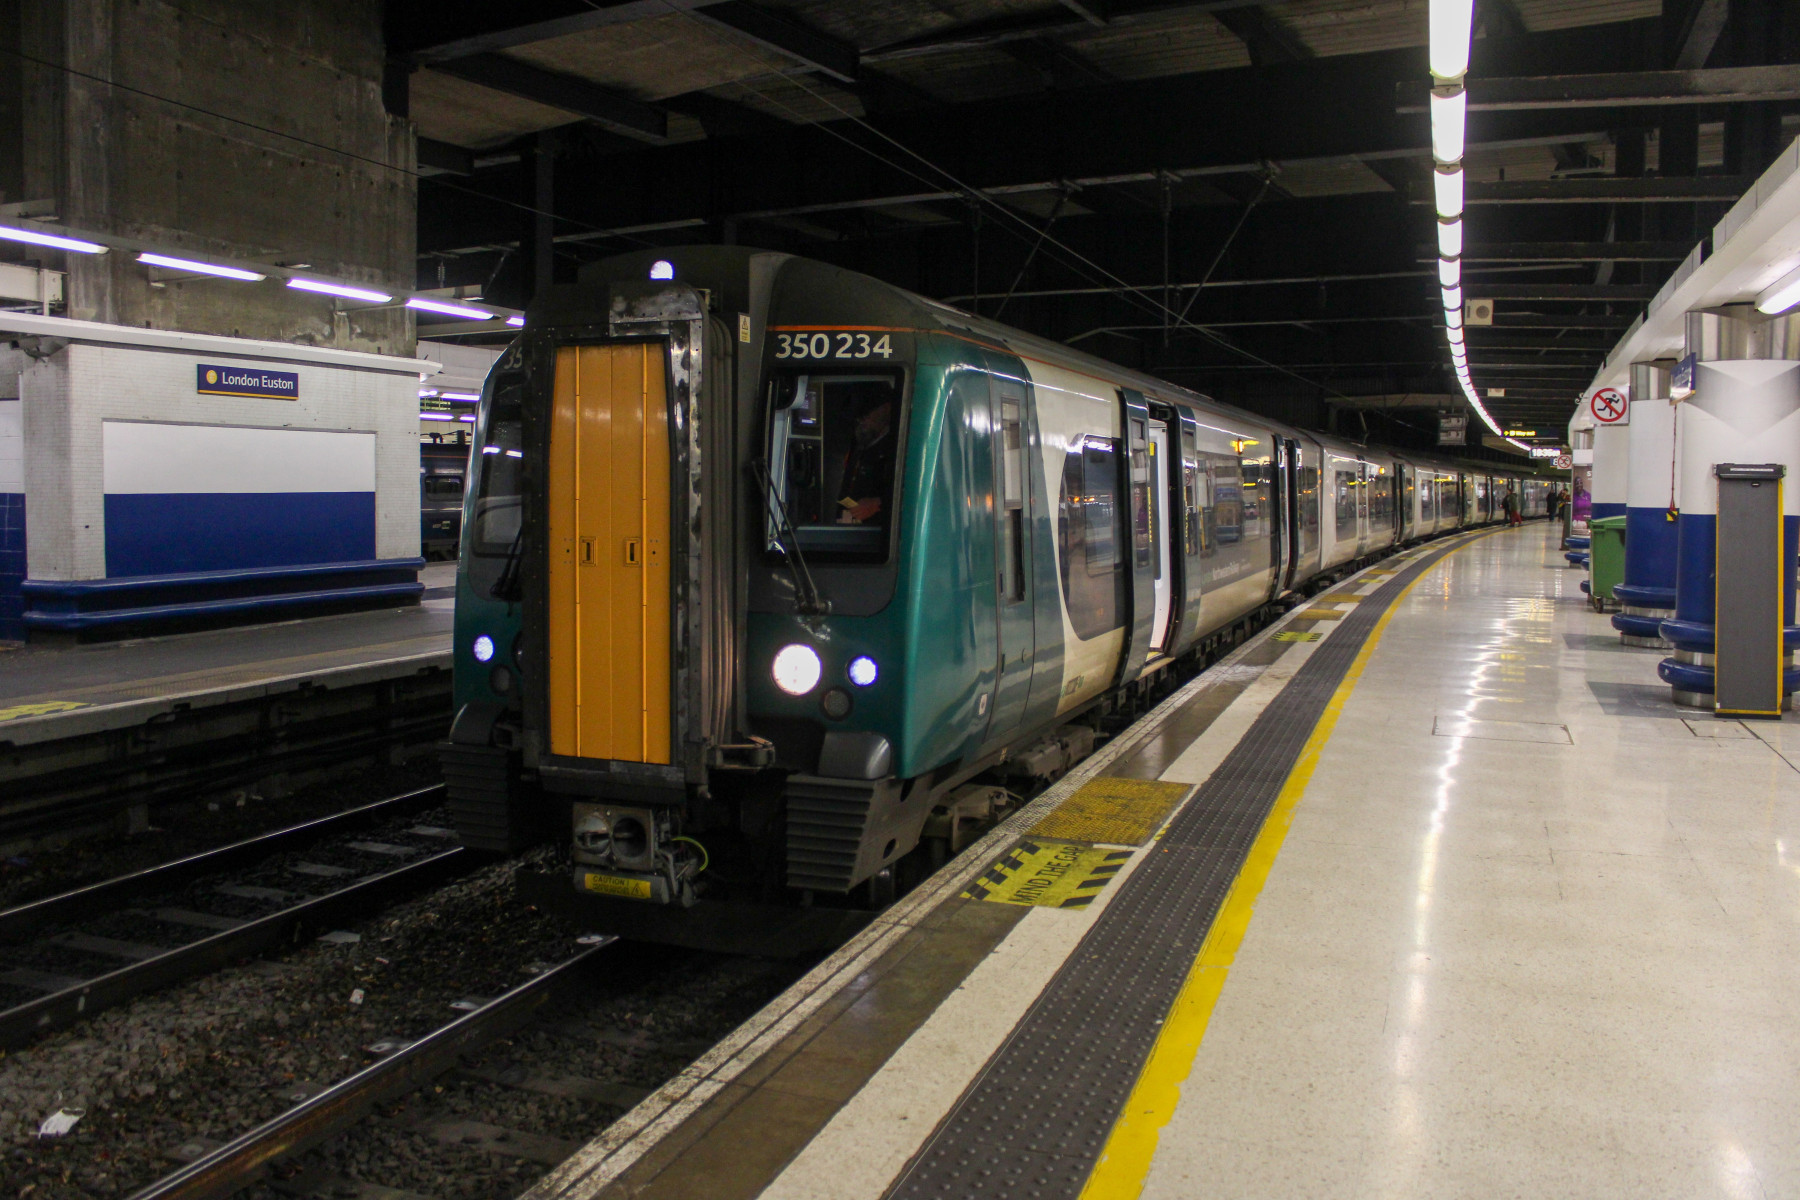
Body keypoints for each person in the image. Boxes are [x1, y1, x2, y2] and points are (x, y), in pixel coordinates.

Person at [836, 399, 894, 524]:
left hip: (879, 533)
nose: (862, 422)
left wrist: (877, 503)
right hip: (850, 524)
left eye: (867, 415)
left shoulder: (896, 447)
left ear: (886, 409)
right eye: (860, 417)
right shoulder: (858, 445)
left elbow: (909, 493)